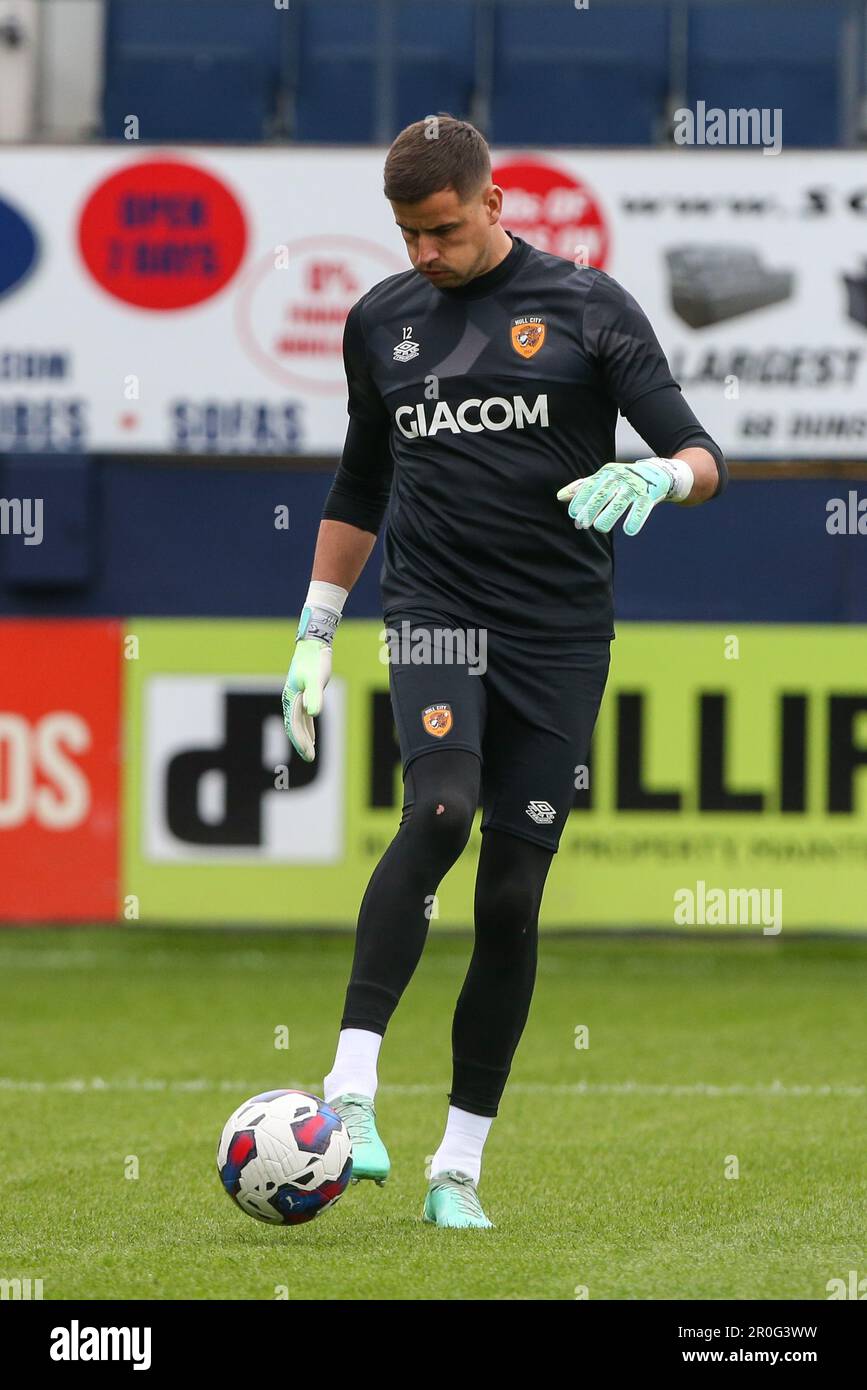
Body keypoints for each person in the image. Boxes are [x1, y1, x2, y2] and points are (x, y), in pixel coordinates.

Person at [282, 115, 727, 1228]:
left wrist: (661, 482)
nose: (422, 254)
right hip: (436, 609)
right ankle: (347, 1097)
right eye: (405, 234)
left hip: (561, 633)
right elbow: (358, 485)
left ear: (493, 205)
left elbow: (701, 451)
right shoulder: (380, 320)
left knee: (515, 896)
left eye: (439, 230)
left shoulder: (588, 309)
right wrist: (315, 631)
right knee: (438, 810)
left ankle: (459, 1169)